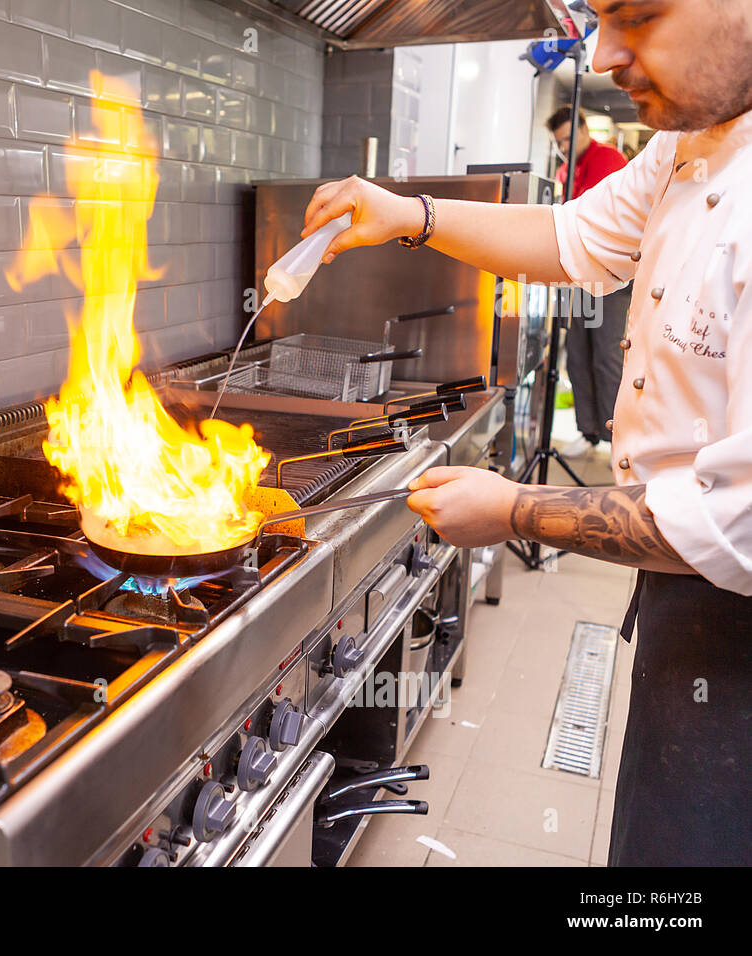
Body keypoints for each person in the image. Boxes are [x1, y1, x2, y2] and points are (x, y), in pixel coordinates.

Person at [301, 0, 752, 866]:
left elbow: (733, 523)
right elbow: (575, 235)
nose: (607, 53)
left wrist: (512, 511)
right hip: (688, 598)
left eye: (638, 15)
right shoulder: (695, 136)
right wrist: (406, 214)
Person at [547, 106, 632, 457]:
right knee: (576, 356)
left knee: (607, 356)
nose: (564, 146)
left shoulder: (608, 159)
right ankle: (588, 431)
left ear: (583, 129)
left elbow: (598, 216)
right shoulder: (567, 168)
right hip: (578, 275)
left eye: (568, 137)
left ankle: (616, 439)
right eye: (559, 142)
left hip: (610, 275)